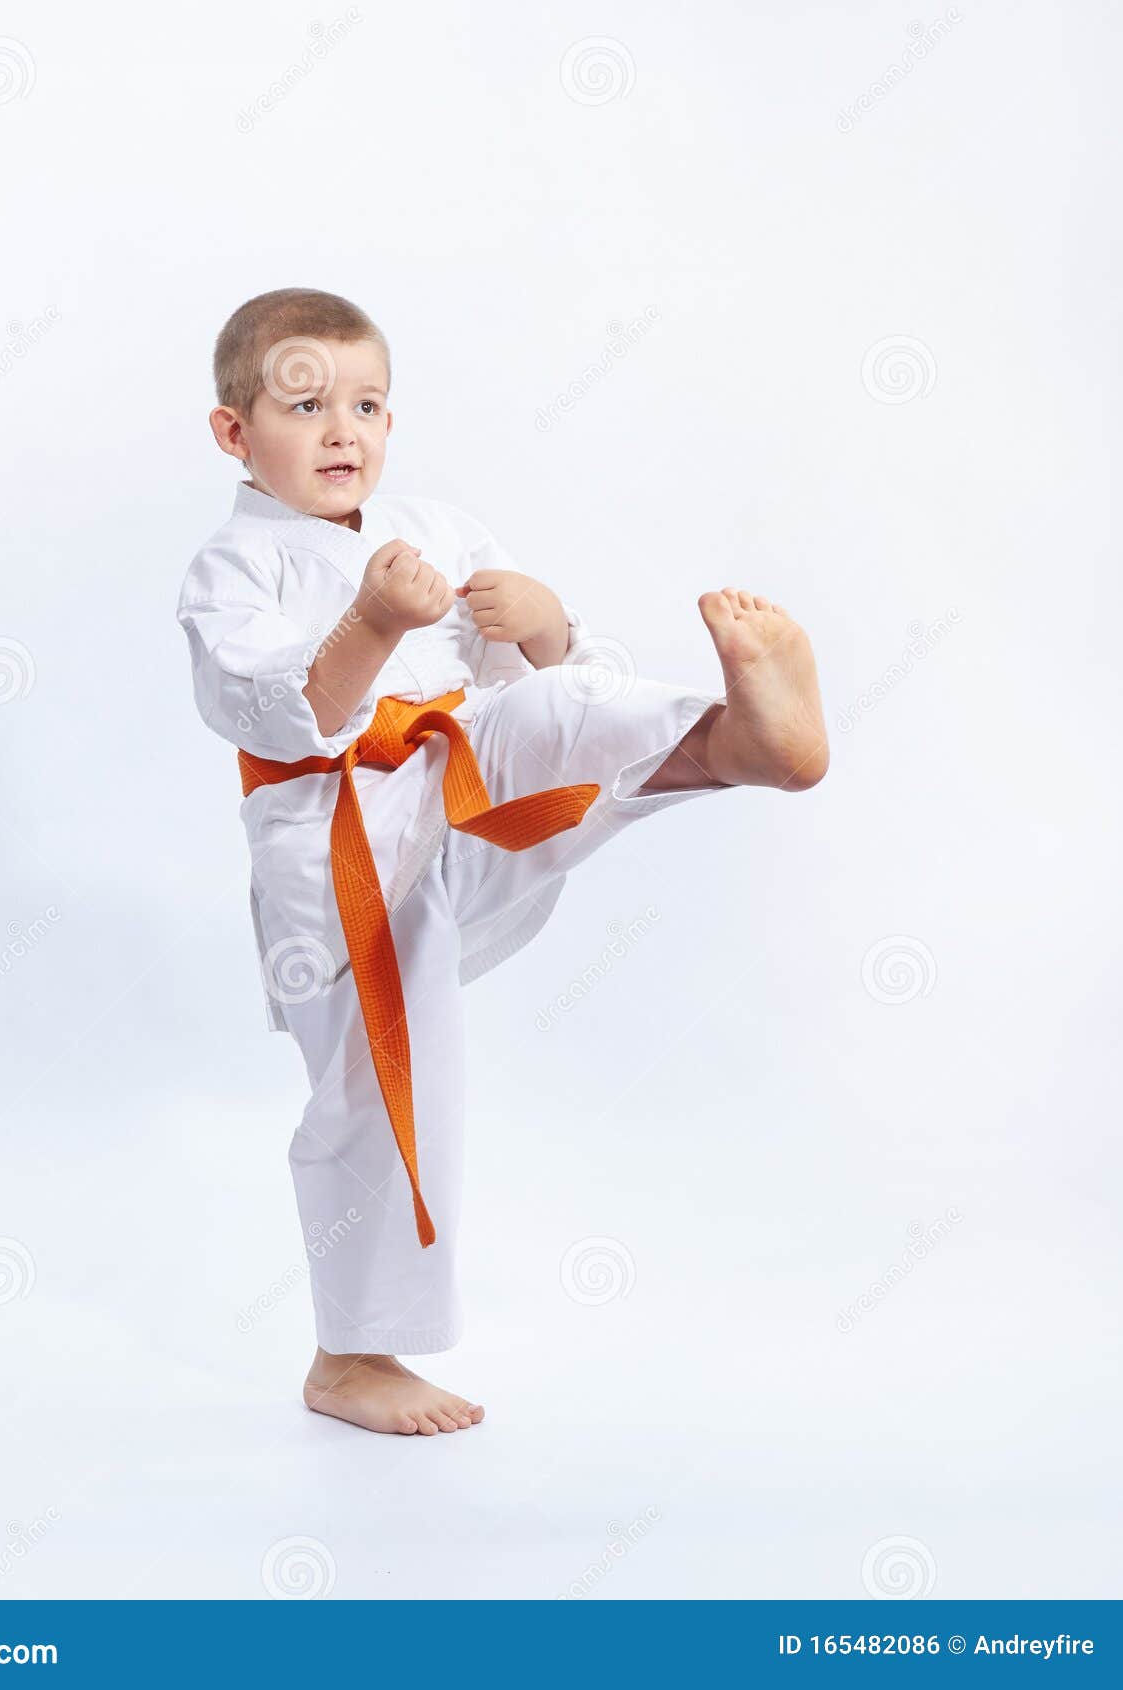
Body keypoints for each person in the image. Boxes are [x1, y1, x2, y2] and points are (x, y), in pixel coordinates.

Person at [175, 287, 828, 1436]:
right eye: (305, 405)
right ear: (235, 431)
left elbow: (524, 675)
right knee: (389, 1075)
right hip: (337, 846)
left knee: (558, 704)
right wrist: (371, 626)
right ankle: (349, 1358)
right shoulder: (232, 567)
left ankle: (734, 741)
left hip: (461, 782)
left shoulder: (434, 525)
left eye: (365, 405)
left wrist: (542, 621)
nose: (341, 430)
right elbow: (274, 713)